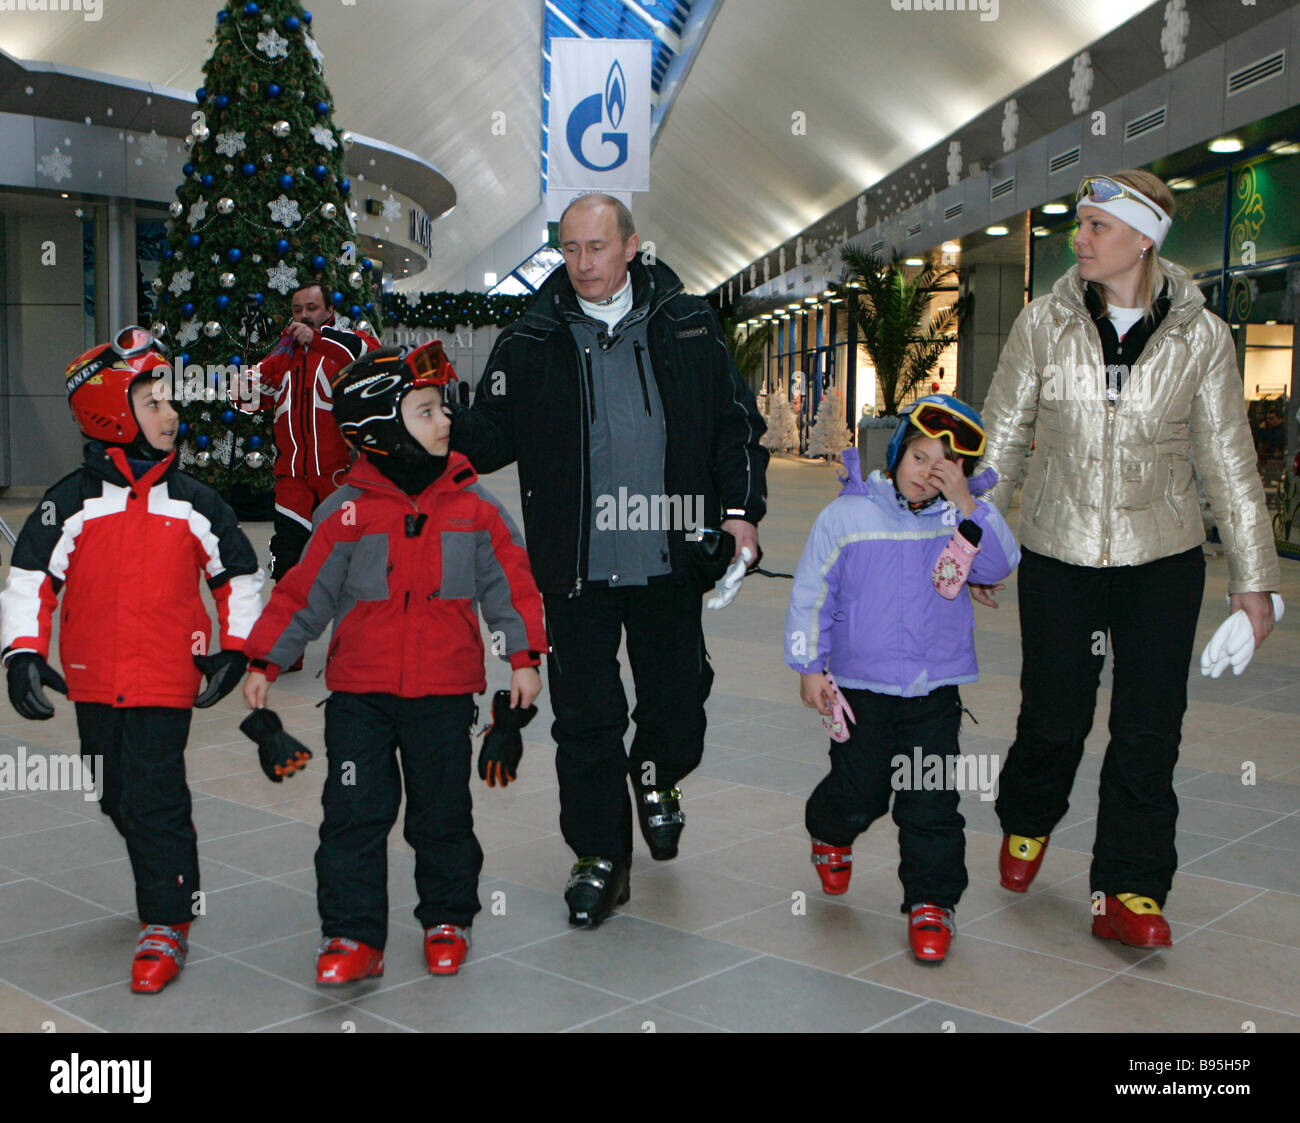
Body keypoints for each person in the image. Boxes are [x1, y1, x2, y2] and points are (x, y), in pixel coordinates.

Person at [978, 171, 1283, 948]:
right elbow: (1002, 441)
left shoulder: (1202, 338)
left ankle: (1131, 886)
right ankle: (1028, 816)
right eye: (1078, 224)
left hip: (1162, 559)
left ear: (1143, 240)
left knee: (1150, 725)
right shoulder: (1042, 325)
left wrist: (1256, 582)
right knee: (1055, 714)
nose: (1079, 238)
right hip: (1059, 552)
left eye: (1095, 226)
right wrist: (973, 538)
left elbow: (1229, 463)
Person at [449, 193, 768, 928]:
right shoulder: (531, 338)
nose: (583, 264)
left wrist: (738, 513)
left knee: (677, 703)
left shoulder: (685, 323)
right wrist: (425, 421)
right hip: (576, 570)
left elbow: (734, 424)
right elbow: (489, 434)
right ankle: (598, 856)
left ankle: (656, 779)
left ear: (631, 246)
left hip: (669, 561)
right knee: (586, 723)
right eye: (570, 248)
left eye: (597, 247)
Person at [241, 343, 546, 983]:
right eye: (427, 411)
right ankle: (353, 935)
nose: (445, 423)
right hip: (359, 697)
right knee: (353, 816)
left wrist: (523, 657)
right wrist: (264, 660)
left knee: (441, 815)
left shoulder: (475, 507)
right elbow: (304, 594)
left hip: (442, 694)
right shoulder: (346, 512)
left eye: (442, 410)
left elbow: (512, 587)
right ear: (381, 432)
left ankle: (447, 916)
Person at [0, 326, 264, 994]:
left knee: (151, 796)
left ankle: (166, 919)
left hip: (166, 677)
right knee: (114, 792)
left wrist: (236, 646)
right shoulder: (70, 504)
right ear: (110, 411)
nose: (172, 414)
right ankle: (167, 844)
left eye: (170, 401)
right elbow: (32, 580)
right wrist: (22, 654)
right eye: (153, 403)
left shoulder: (195, 501)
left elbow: (239, 573)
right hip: (92, 680)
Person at [786, 396, 1019, 964]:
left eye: (944, 466)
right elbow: (813, 593)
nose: (926, 473)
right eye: (918, 457)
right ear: (894, 455)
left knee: (930, 800)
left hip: (933, 691)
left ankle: (932, 901)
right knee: (860, 790)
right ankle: (831, 829)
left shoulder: (957, 519)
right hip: (860, 688)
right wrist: (809, 666)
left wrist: (968, 504)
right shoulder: (848, 516)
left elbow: (999, 565)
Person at [242, 283, 380, 588]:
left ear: (329, 311)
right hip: (292, 479)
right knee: (287, 562)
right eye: (297, 310)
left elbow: (369, 352)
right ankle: (287, 625)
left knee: (349, 561)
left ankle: (355, 628)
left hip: (339, 479)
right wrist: (244, 386)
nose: (303, 316)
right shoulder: (284, 354)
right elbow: (250, 399)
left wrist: (317, 338)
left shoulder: (344, 345)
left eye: (311, 308)